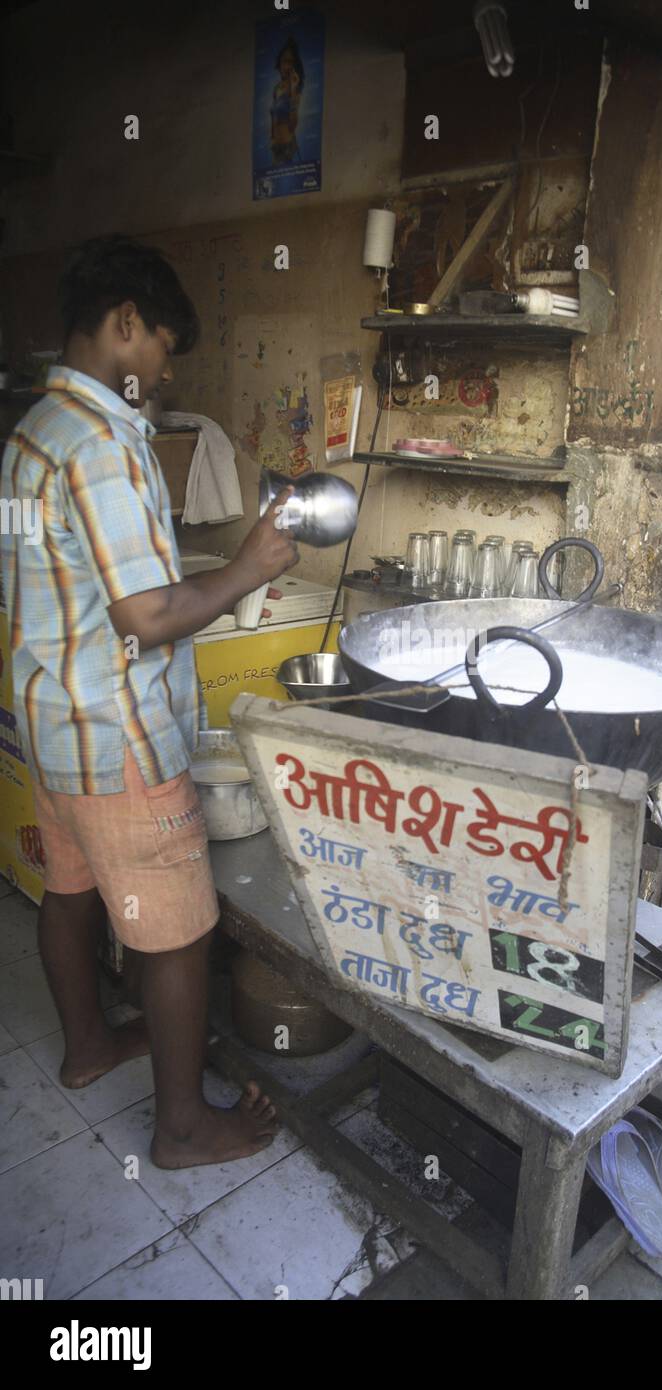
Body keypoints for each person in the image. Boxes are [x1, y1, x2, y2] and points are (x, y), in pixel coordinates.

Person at [0, 235, 299, 1168]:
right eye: (164, 346)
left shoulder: (30, 434)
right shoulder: (101, 442)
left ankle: (89, 1047)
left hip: (54, 724)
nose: (165, 370)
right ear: (125, 325)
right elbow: (149, 612)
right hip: (121, 736)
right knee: (177, 935)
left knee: (71, 890)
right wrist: (247, 565)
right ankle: (181, 1129)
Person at [270, 35, 304, 164]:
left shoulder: (295, 90)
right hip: (275, 147)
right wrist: (272, 138)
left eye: (291, 62)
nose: (287, 66)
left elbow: (293, 124)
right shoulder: (276, 89)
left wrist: (293, 89)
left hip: (287, 147)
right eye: (285, 61)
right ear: (279, 64)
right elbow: (273, 116)